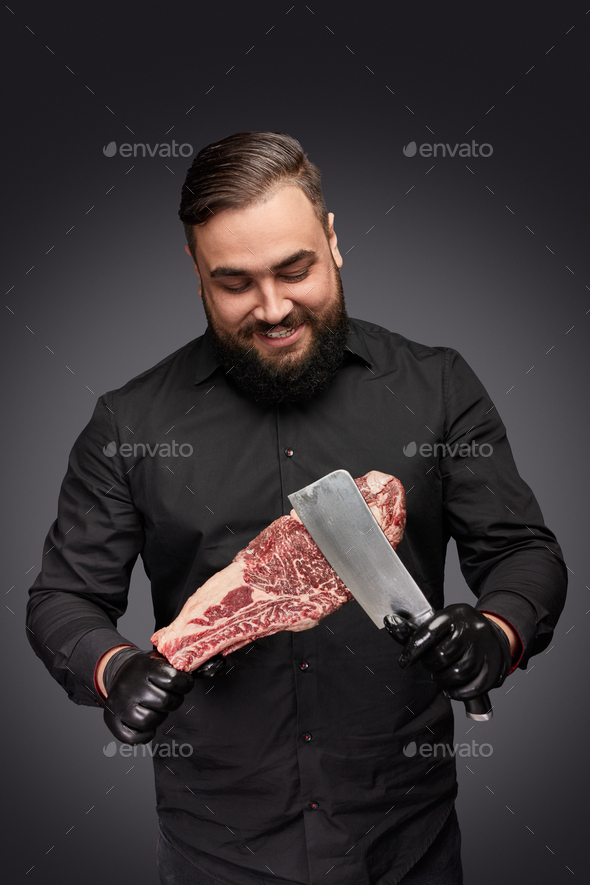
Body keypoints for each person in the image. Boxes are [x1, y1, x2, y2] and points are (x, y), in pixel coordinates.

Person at [26, 131, 567, 885]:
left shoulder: (437, 387)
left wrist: (497, 630)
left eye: (295, 269)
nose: (274, 307)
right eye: (235, 282)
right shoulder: (131, 422)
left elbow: (522, 552)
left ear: (334, 241)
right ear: (196, 271)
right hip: (218, 847)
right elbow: (64, 597)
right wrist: (111, 667)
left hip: (404, 838)